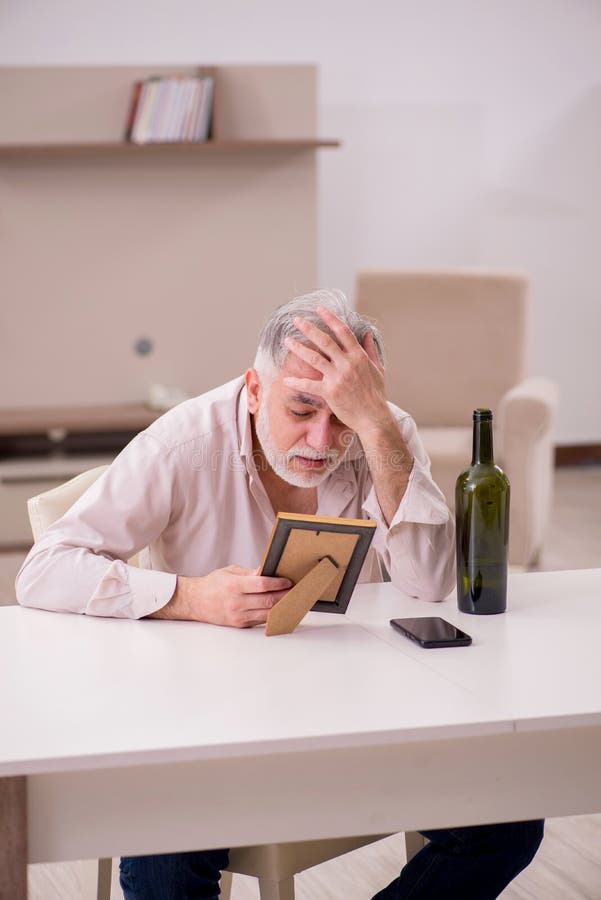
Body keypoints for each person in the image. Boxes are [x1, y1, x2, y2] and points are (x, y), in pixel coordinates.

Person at [16, 289, 543, 900]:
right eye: (301, 409)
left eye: (342, 415)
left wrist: (375, 426)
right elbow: (44, 569)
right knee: (163, 871)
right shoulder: (181, 444)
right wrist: (188, 596)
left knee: (508, 822)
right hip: (205, 730)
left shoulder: (382, 432)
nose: (321, 439)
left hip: (354, 718)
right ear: (255, 389)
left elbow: (428, 581)